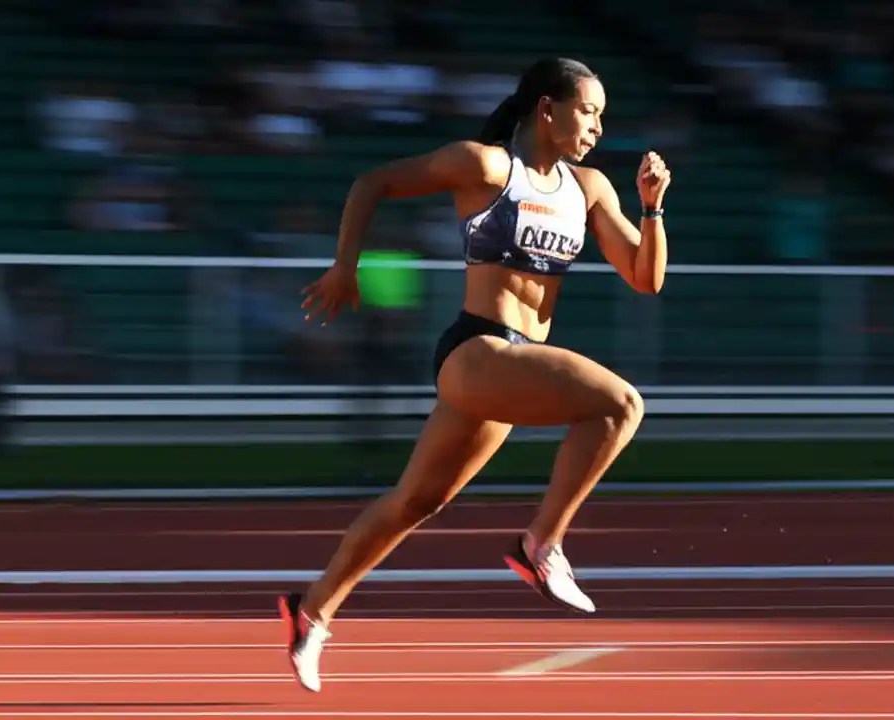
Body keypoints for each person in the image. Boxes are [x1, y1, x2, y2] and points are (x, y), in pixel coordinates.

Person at [277, 56, 672, 693]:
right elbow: (373, 182)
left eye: (603, 115)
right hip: (477, 350)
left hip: (512, 368)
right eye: (589, 111)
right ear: (548, 110)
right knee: (621, 405)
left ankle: (311, 611)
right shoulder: (486, 167)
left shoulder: (591, 188)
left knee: (416, 501)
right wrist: (345, 267)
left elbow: (646, 278)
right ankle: (542, 544)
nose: (598, 126)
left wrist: (652, 209)